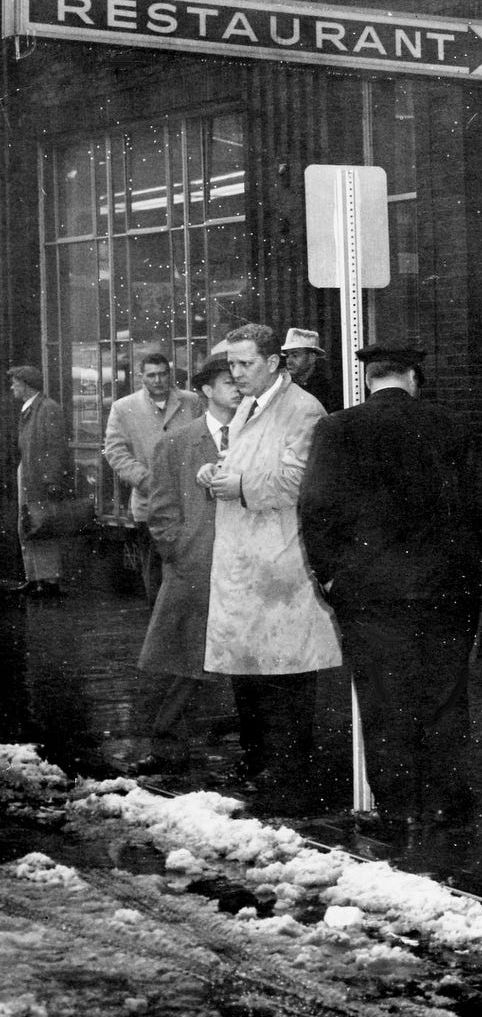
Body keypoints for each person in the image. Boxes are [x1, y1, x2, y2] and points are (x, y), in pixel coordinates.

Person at [299, 345, 482, 842]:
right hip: (448, 588)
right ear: (412, 378)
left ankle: (398, 807)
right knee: (446, 694)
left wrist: (331, 577)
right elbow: (480, 508)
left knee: (385, 698)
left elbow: (316, 508)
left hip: (372, 591)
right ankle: (447, 801)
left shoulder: (338, 429)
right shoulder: (454, 426)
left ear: (367, 381)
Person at [200, 324, 341, 814]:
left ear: (274, 362)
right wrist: (217, 473)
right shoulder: (248, 405)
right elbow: (246, 461)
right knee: (250, 670)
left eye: (245, 364)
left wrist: (237, 484)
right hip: (246, 559)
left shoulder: (303, 409)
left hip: (278, 561)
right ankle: (259, 761)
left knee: (285, 674)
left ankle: (288, 774)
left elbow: (300, 479)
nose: (235, 374)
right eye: (231, 365)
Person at [129, 355, 239, 776]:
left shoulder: (253, 434)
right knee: (185, 658)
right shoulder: (176, 442)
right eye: (228, 381)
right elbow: (161, 509)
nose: (238, 387)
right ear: (206, 390)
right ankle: (168, 741)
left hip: (245, 566)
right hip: (195, 566)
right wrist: (179, 551)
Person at [102, 351, 204, 600]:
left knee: (189, 567)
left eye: (163, 374)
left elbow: (205, 439)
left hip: (189, 501)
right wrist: (146, 480)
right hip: (150, 504)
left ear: (170, 374)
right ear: (141, 377)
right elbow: (115, 452)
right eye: (151, 375)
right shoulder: (124, 408)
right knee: (155, 570)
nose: (158, 380)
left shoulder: (191, 402)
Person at [11, 365, 74, 599]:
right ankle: (34, 577)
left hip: (39, 476)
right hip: (27, 472)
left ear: (27, 385)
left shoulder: (47, 408)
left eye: (15, 383)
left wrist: (51, 479)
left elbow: (56, 446)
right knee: (27, 524)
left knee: (42, 525)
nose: (12, 387)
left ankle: (49, 580)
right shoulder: (30, 408)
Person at [282, 328, 336, 409]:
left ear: (312, 358)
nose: (288, 361)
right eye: (287, 356)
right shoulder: (285, 386)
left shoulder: (327, 390)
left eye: (295, 355)